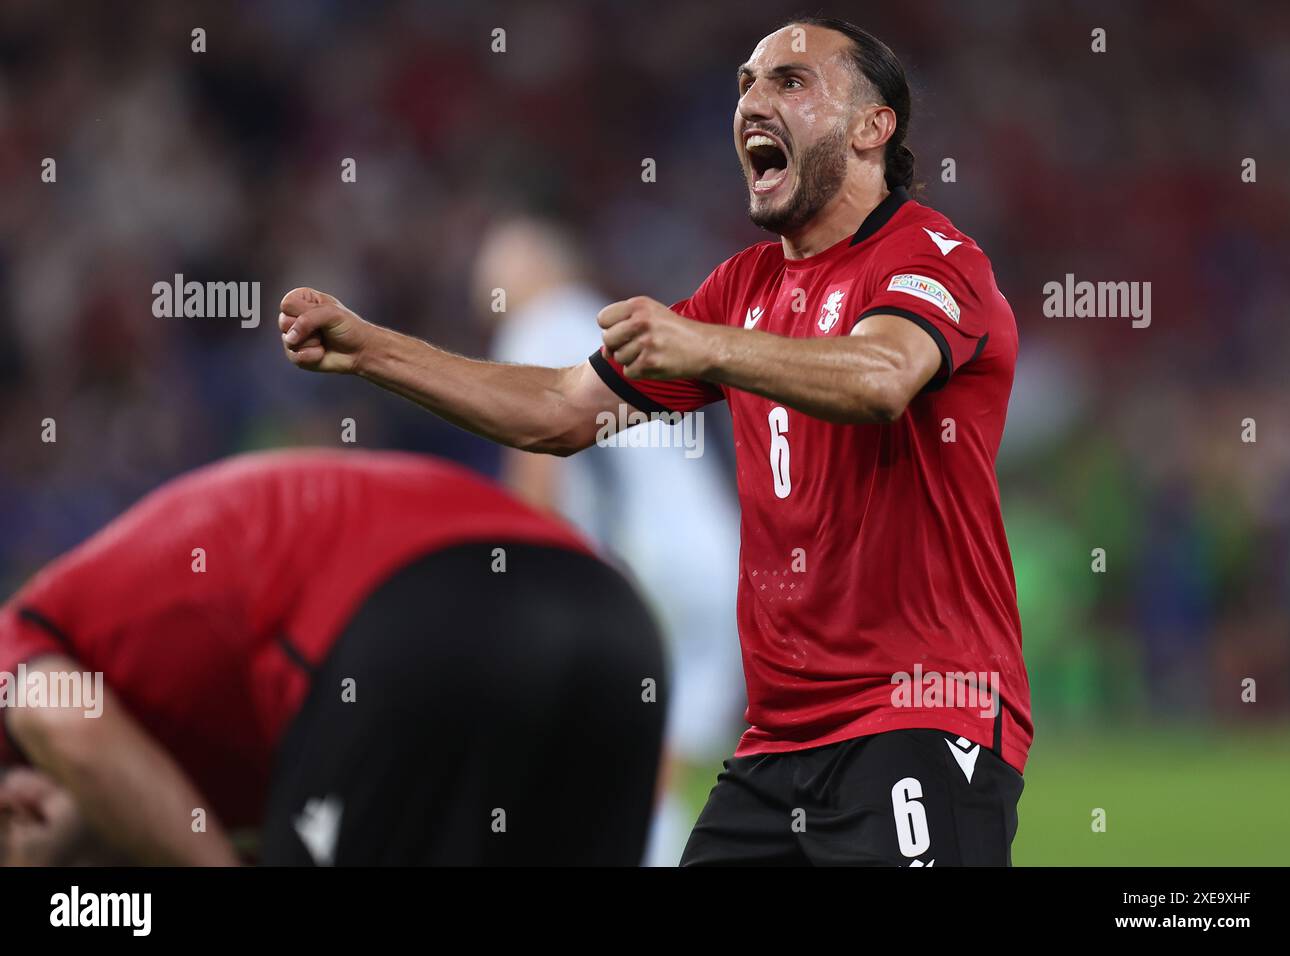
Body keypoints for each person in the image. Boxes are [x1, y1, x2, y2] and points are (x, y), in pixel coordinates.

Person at [278, 17, 1030, 866]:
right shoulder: (742, 286)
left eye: (790, 81)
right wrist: (373, 349)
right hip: (778, 743)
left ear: (871, 126)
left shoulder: (931, 255)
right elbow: (562, 409)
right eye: (745, 82)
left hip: (922, 716)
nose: (753, 99)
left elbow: (883, 377)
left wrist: (705, 346)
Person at [0, 449, 665, 866]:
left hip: (419, 630)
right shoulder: (197, 738)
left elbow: (69, 723)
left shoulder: (27, 637)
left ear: (20, 806)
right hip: (615, 624)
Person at [475, 214, 744, 864]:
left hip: (643, 569)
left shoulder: (534, 325)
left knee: (613, 753)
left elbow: (535, 465)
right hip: (721, 556)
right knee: (665, 758)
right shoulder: (618, 321)